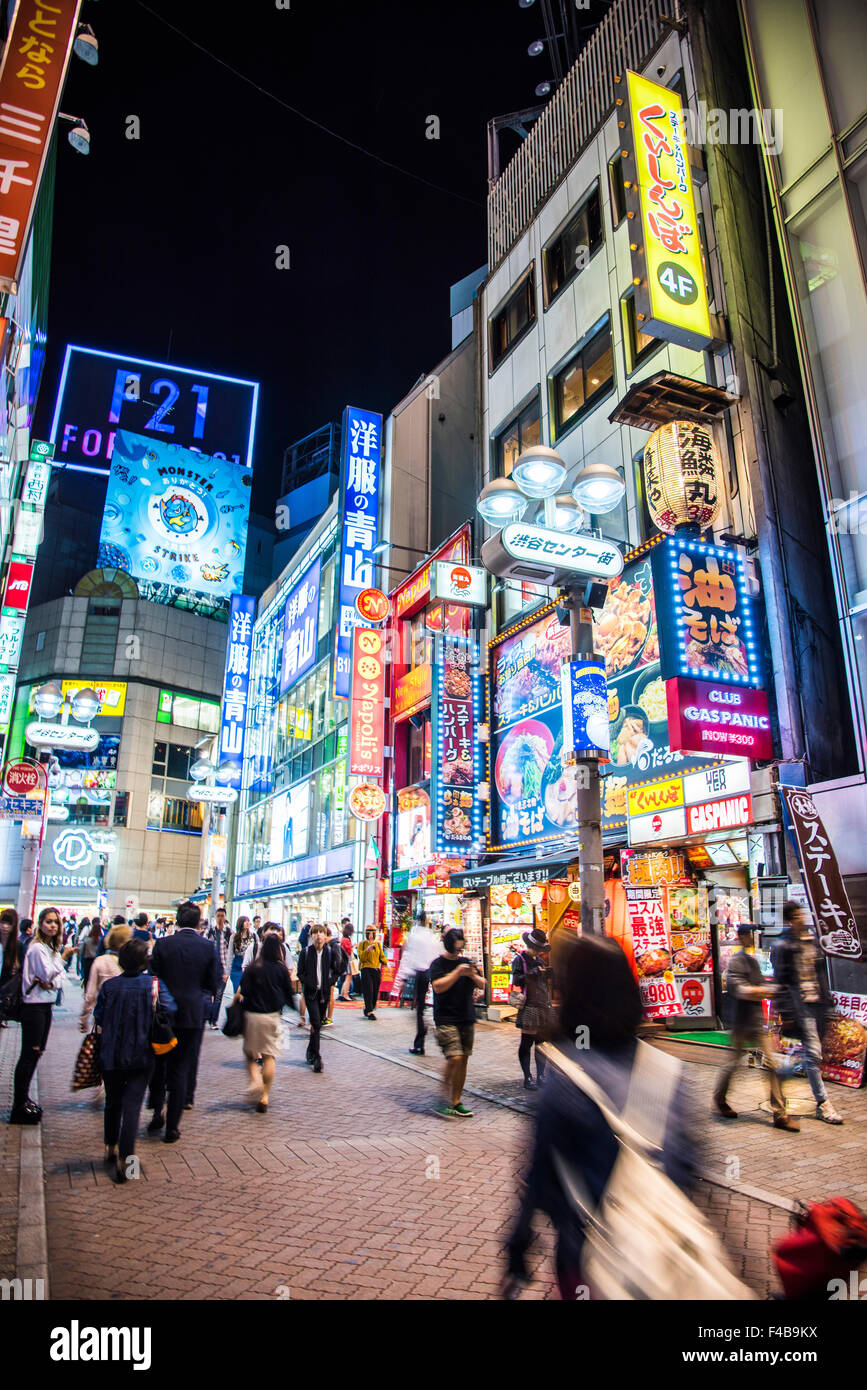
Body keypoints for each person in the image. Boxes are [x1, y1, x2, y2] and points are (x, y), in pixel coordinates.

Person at [504, 934, 700, 1299]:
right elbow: (689, 1167)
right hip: (668, 1260)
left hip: (593, 1261)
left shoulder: (566, 1076)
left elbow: (539, 1177)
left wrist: (518, 1244)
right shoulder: (671, 1072)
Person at [94, 938, 177, 1183]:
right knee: (132, 1107)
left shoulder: (110, 987)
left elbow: (99, 1016)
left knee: (113, 1102)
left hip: (111, 1053)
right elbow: (170, 1008)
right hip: (142, 1054)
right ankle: (127, 1163)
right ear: (144, 962)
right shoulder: (153, 984)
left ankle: (110, 1147)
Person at [712, 924, 799, 1130]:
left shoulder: (751, 960)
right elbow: (742, 990)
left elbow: (758, 987)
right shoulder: (735, 961)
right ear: (742, 936)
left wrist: (770, 990)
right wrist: (766, 991)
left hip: (756, 1021)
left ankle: (779, 1114)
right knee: (733, 1064)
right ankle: (720, 1099)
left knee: (771, 1064)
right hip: (741, 1023)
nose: (752, 938)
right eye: (750, 934)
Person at [148, 900, 222, 1142]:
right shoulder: (207, 947)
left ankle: (157, 1111)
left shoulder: (163, 944)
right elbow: (213, 981)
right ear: (198, 922)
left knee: (159, 1065)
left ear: (178, 921)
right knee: (181, 1068)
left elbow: (153, 978)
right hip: (192, 1014)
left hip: (163, 1016)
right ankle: (172, 1127)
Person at [771, 902, 843, 1125]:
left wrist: (829, 1005)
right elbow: (781, 982)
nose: (801, 919)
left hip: (817, 1006)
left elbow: (821, 976)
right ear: (789, 921)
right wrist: (787, 1012)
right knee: (813, 1054)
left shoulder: (812, 942)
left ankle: (780, 1078)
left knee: (812, 1055)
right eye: (795, 916)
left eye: (801, 915)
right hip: (800, 1008)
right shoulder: (782, 946)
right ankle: (823, 1103)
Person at [9, 907, 66, 1124]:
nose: (53, 925)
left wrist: (51, 979)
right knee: (29, 1054)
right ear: (40, 924)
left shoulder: (50, 948)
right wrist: (62, 961)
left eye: (56, 922)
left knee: (36, 1053)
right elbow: (47, 973)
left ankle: (24, 1100)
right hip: (33, 1007)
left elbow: (56, 982)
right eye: (49, 921)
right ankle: (18, 1105)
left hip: (46, 1006)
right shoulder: (36, 949)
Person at [429, 926, 485, 1119]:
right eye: (456, 944)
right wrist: (457, 973)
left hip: (466, 1017)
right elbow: (437, 987)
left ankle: (456, 1101)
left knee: (463, 1060)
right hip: (445, 1018)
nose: (459, 949)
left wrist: (471, 974)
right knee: (454, 1057)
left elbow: (483, 984)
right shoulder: (438, 964)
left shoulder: (466, 963)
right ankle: (442, 1100)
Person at [236, 934, 297, 1111]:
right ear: (279, 949)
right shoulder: (280, 969)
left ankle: (255, 1080)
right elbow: (289, 994)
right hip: (273, 1017)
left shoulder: (254, 967)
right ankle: (264, 1096)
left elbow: (244, 990)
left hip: (253, 1016)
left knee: (250, 1052)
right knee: (270, 1056)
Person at [511, 928, 553, 1091]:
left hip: (543, 1005)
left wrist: (547, 974)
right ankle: (528, 1077)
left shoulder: (539, 960)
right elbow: (516, 980)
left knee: (541, 1043)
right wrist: (533, 973)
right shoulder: (520, 959)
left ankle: (541, 1075)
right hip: (530, 1005)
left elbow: (542, 981)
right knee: (527, 1042)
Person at [394, 914, 441, 1054]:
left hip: (419, 974)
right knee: (426, 1006)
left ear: (416, 920)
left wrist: (403, 978)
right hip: (431, 973)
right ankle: (426, 1033)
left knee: (420, 1009)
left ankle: (420, 1043)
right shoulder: (432, 936)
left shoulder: (414, 936)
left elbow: (409, 957)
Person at [296, 924, 340, 1072]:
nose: (319, 936)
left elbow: (337, 969)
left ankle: (311, 1050)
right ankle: (317, 1057)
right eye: (316, 933)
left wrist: (330, 981)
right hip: (311, 994)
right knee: (315, 1021)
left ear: (325, 936)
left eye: (321, 933)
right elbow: (300, 973)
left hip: (324, 994)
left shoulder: (330, 952)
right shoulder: (305, 953)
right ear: (311, 936)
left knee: (317, 1024)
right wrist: (308, 982)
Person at [81, 924, 131, 1031]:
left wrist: (84, 1018)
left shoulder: (100, 961)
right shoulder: (133, 963)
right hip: (127, 1017)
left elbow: (91, 994)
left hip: (104, 1014)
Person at [358, 926, 387, 1019]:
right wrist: (367, 950)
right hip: (366, 969)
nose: (371, 935)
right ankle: (370, 1011)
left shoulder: (378, 944)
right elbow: (361, 958)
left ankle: (369, 1008)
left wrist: (386, 963)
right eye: (369, 933)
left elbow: (381, 955)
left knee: (375, 991)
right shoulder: (362, 944)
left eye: (373, 933)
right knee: (368, 991)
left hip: (376, 970)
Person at [0, 908, 18, 1026]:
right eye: (2, 922)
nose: (5, 926)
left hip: (6, 994)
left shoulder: (18, 946)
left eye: (9, 923)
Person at [229, 916, 254, 995]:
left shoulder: (254, 936)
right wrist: (226, 971)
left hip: (250, 966)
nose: (247, 923)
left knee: (247, 992)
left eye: (248, 921)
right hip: (237, 965)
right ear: (240, 923)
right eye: (245, 921)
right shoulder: (234, 937)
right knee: (237, 991)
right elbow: (230, 953)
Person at [79, 919, 102, 988]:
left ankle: (87, 993)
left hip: (87, 961)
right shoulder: (101, 940)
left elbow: (81, 952)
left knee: (87, 978)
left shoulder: (87, 940)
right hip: (98, 961)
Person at [336, 924, 355, 1002]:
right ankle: (345, 995)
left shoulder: (343, 938)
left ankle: (343, 994)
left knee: (346, 978)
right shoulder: (346, 939)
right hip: (347, 960)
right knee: (348, 978)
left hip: (344, 960)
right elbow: (349, 950)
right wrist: (353, 947)